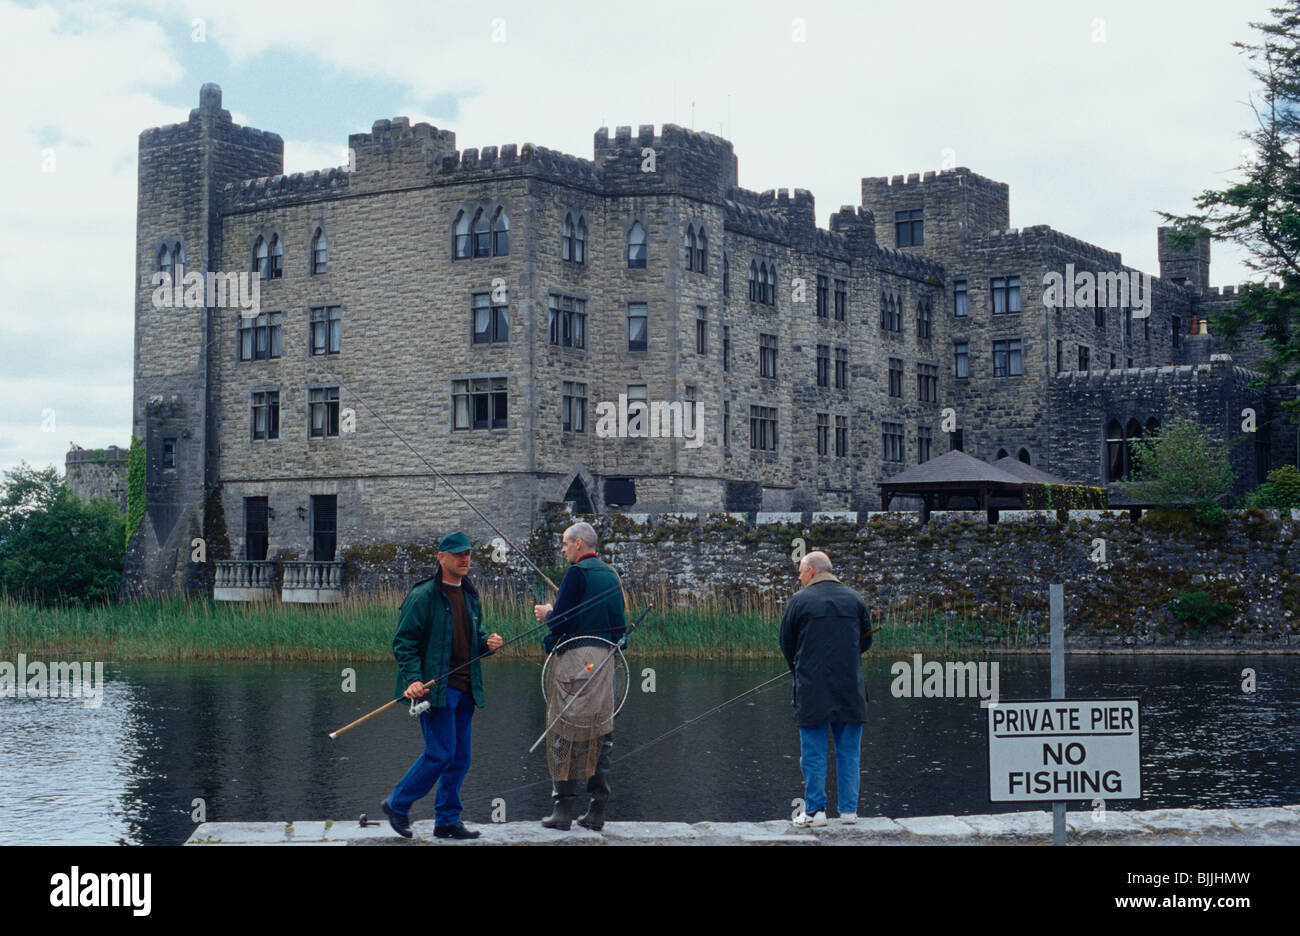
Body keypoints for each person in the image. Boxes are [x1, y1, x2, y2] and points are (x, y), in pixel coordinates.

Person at [382, 531, 503, 840]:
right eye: (457, 554)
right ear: (441, 558)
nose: (464, 559)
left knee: (460, 757)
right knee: (440, 753)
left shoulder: (471, 595)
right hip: (434, 692)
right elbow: (404, 642)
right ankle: (397, 804)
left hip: (466, 691)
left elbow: (469, 640)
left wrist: (486, 643)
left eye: (468, 554)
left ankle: (447, 820)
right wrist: (412, 679)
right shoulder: (422, 596)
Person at [532, 521, 627, 831]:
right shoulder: (611, 575)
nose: (562, 548)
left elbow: (559, 624)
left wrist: (548, 613)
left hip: (575, 661)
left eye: (565, 543)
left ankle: (563, 812)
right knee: (602, 733)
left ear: (579, 544)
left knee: (563, 732)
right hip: (604, 663)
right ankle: (597, 811)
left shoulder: (576, 573)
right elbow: (620, 629)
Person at [779, 550, 873, 828]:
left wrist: (800, 667)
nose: (798, 576)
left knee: (813, 753)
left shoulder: (799, 601)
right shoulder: (855, 598)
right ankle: (848, 813)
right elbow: (865, 642)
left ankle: (815, 813)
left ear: (812, 571)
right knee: (849, 752)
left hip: (812, 689)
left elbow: (787, 644)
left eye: (800, 571)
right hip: (850, 689)